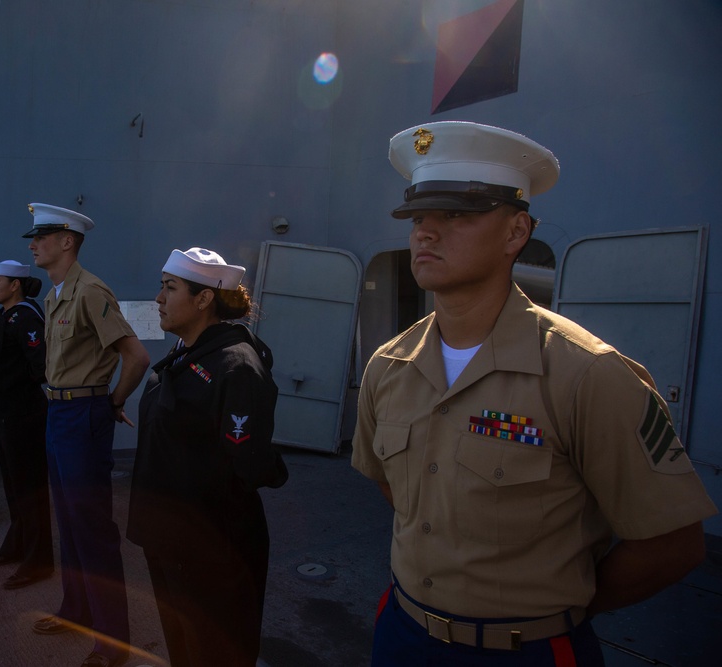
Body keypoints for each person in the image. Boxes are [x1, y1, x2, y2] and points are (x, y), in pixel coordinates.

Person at [351, 120, 717, 667]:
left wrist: (560, 609)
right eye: (418, 217)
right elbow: (392, 488)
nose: (426, 233)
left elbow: (672, 543)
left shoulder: (587, 373)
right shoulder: (388, 366)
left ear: (515, 233)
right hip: (403, 636)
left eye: (455, 214)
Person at [127, 247, 288, 667]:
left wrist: (274, 470)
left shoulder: (236, 366)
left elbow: (248, 461)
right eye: (161, 287)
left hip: (210, 547)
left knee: (216, 651)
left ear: (203, 300)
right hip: (167, 538)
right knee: (183, 649)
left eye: (170, 288)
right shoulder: (184, 355)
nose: (158, 299)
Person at [24, 203, 149, 667]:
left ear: (67, 241)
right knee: (70, 523)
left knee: (92, 530)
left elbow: (136, 357)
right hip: (58, 414)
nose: (33, 244)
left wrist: (113, 401)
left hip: (83, 415)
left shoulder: (91, 291)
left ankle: (113, 642)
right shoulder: (56, 295)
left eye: (41, 236)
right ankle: (75, 610)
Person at [0, 259, 54, 590]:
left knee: (30, 489)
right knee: (13, 486)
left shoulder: (26, 316)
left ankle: (39, 560)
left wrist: (18, 394)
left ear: (15, 285)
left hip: (22, 416)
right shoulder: (5, 315)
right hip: (4, 413)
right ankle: (19, 543)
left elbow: (41, 365)